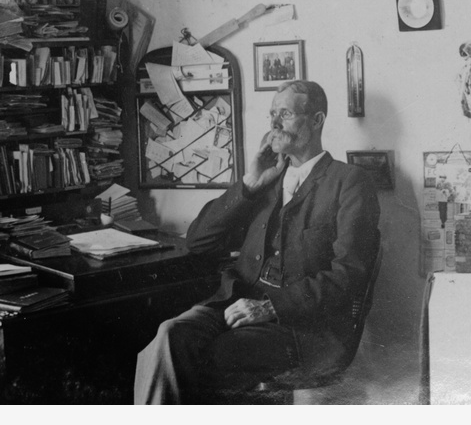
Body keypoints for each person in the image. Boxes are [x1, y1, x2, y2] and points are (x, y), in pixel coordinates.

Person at [134, 80, 381, 404]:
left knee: (205, 353)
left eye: (285, 114)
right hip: (236, 302)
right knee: (170, 334)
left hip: (301, 326)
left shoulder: (348, 181)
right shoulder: (268, 178)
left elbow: (350, 275)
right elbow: (198, 241)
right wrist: (250, 182)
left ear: (317, 120)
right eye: (272, 115)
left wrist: (269, 307)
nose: (274, 124)